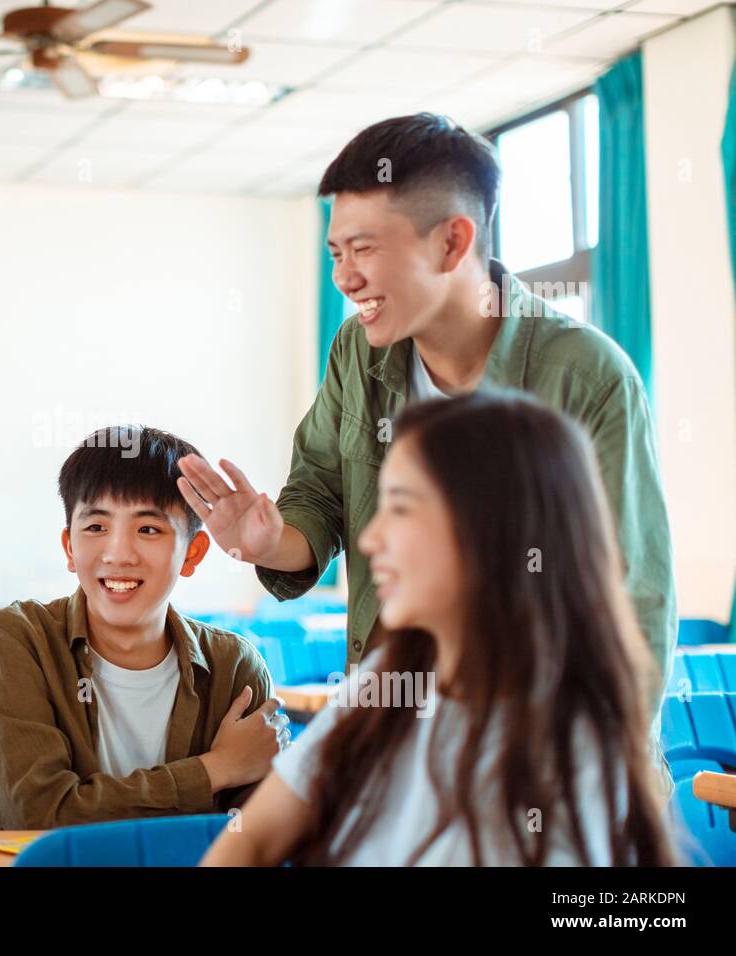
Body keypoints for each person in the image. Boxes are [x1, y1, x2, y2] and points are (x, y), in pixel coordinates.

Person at [177, 112, 676, 715]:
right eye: (335, 252)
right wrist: (270, 541)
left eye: (363, 249)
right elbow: (322, 497)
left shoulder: (585, 376)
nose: (343, 277)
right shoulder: (357, 351)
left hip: (536, 743)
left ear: (452, 242)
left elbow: (632, 603)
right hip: (396, 726)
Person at [201, 392, 676, 866]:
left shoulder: (572, 751)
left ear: (491, 529)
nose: (369, 539)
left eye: (401, 509)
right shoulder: (392, 678)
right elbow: (252, 840)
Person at [0, 425, 287, 830]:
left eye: (148, 529)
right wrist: (216, 769)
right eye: (96, 527)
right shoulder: (10, 640)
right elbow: (38, 816)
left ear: (192, 553)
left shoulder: (234, 667)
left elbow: (261, 835)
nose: (118, 553)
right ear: (70, 548)